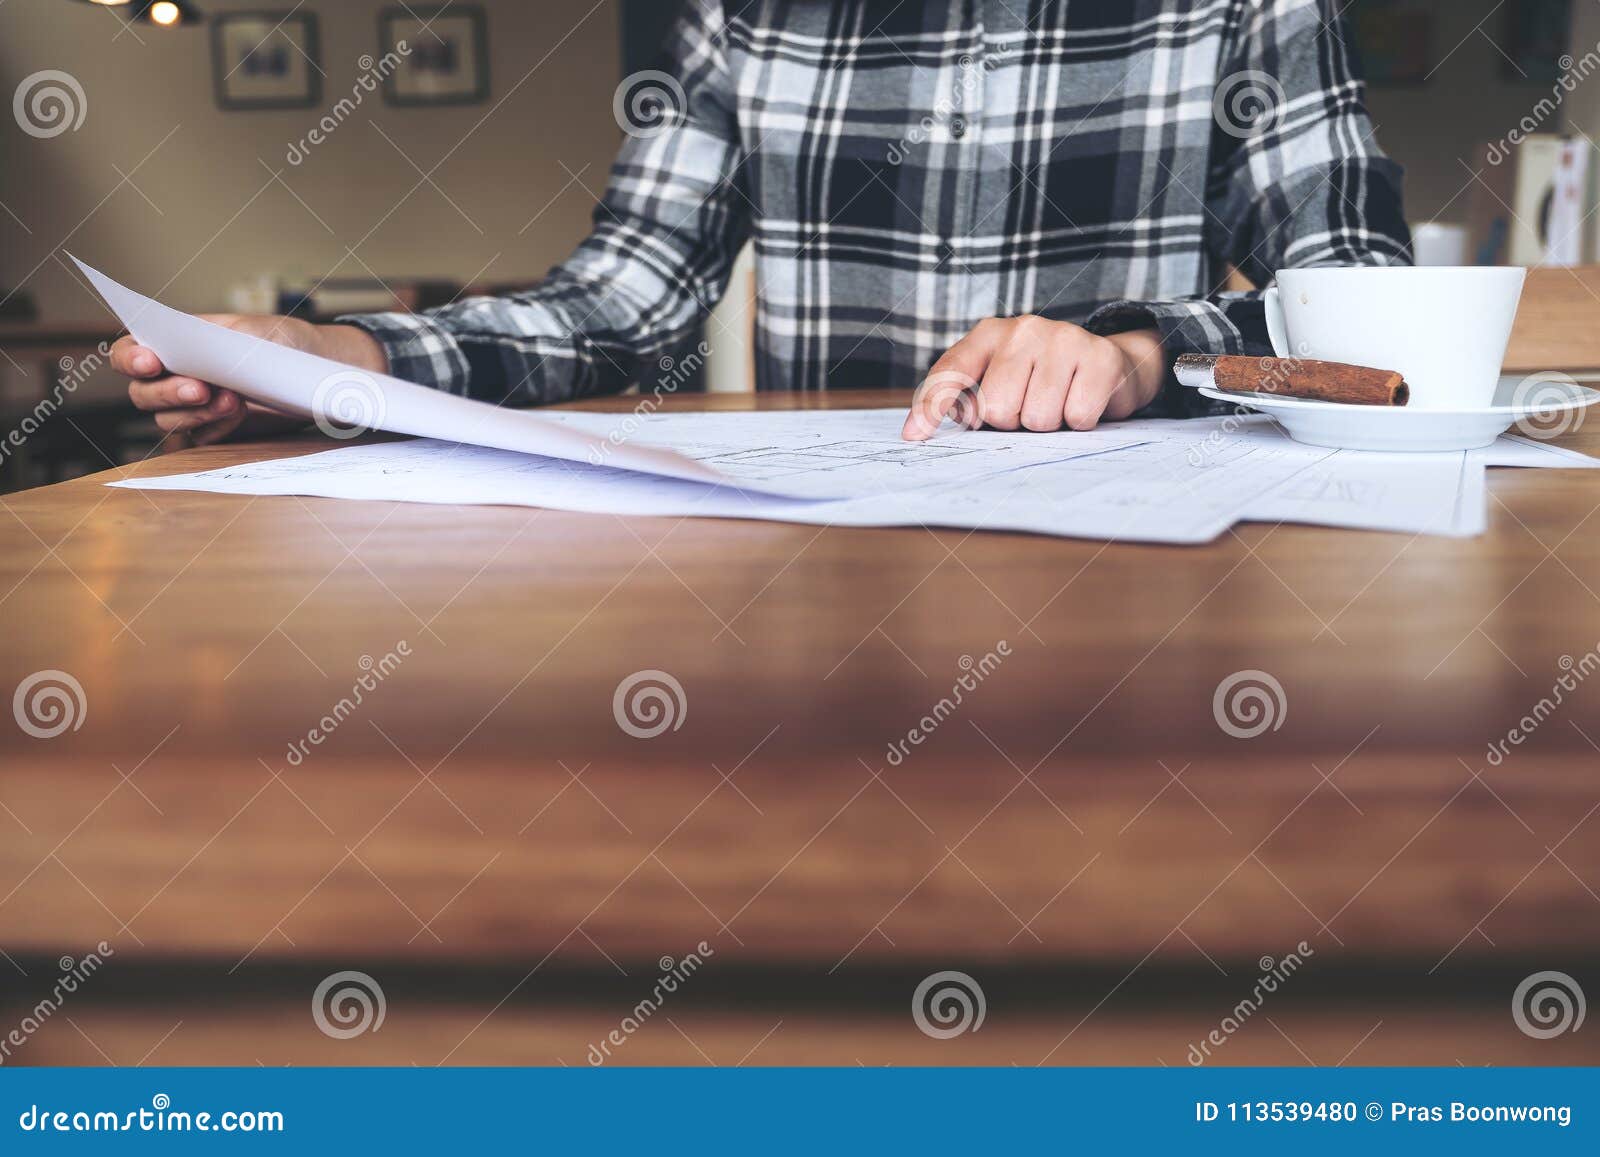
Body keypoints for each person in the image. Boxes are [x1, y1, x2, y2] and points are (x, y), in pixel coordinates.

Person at [117, 0, 1409, 445]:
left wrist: (1139, 352)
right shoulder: (743, 12)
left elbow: (1365, 301)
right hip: (831, 591)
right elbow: (627, 298)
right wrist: (349, 357)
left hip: (1149, 598)